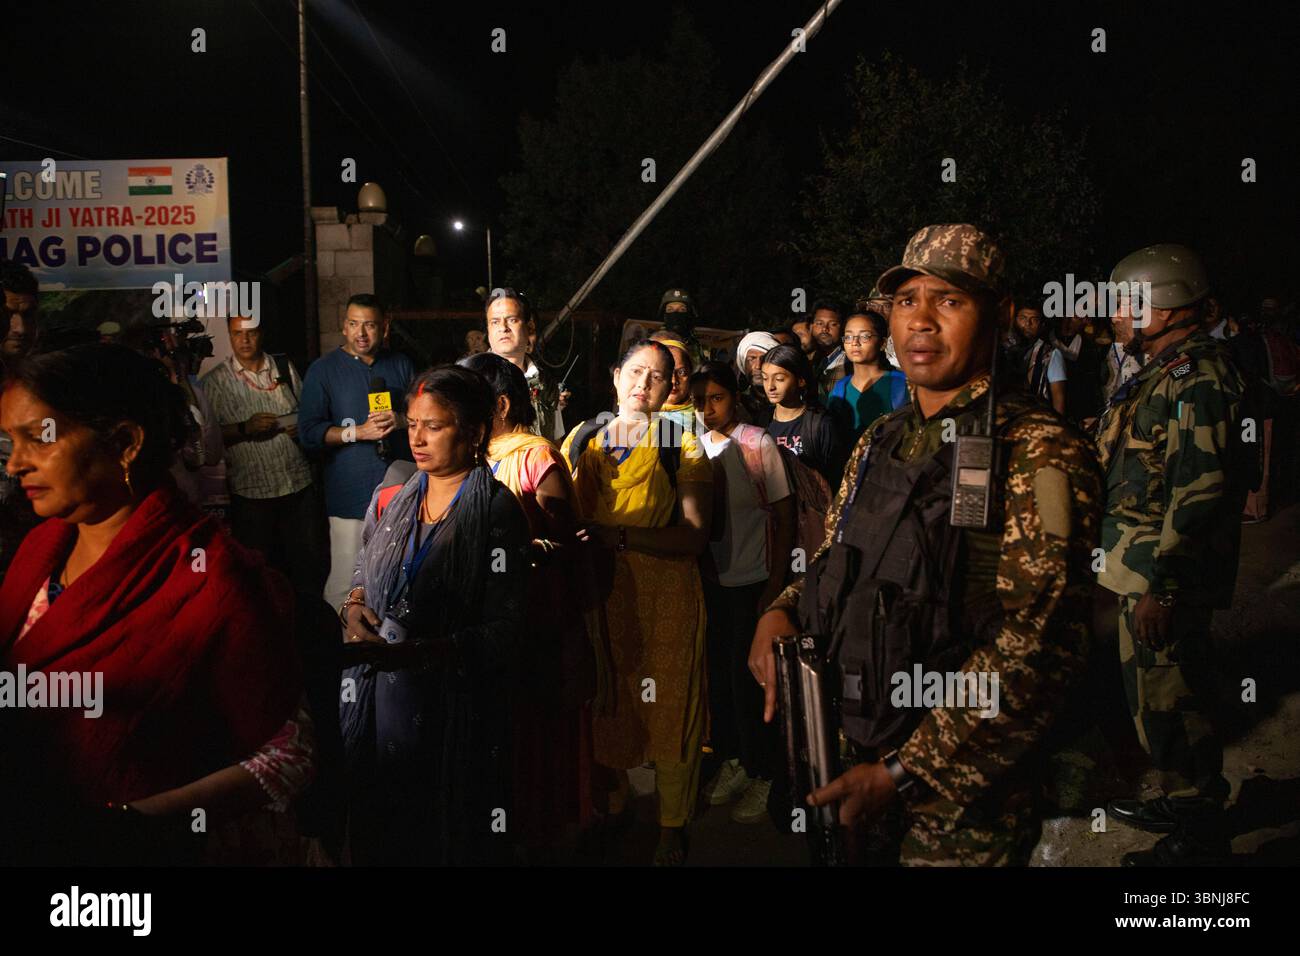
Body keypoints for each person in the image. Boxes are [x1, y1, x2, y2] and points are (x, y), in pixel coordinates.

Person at [750, 223, 1103, 866]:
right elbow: (836, 560)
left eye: (950, 301)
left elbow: (1038, 651)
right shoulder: (881, 437)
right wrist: (784, 609)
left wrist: (902, 773)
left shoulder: (1037, 450)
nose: (922, 321)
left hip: (956, 799)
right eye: (907, 300)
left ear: (994, 317)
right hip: (856, 747)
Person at [0, 344, 310, 865]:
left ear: (124, 442)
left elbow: (287, 756)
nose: (14, 464)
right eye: (11, 441)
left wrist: (129, 824)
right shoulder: (38, 548)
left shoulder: (214, 577)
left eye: (39, 438)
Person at [1095, 244, 1251, 865]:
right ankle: (1183, 795)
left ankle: (1200, 833)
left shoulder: (1199, 379)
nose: (1114, 316)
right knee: (1158, 697)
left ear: (1160, 307)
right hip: (1141, 567)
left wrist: (1167, 588)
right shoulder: (1165, 370)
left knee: (1173, 700)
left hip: (1164, 575)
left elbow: (1201, 491)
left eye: (1124, 304)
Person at [339, 365, 531, 865]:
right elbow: (363, 572)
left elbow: (508, 630)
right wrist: (354, 606)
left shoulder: (495, 511)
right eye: (411, 424)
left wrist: (426, 652)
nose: (418, 439)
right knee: (386, 818)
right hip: (381, 696)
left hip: (451, 701)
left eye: (435, 426)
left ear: (473, 432)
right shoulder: (397, 494)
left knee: (442, 827)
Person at [561, 339, 712, 866]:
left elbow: (693, 536)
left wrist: (619, 537)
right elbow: (566, 519)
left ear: (672, 387)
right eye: (635, 371)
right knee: (610, 699)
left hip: (668, 594)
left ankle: (672, 825)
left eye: (657, 376)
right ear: (615, 376)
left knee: (672, 708)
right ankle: (617, 801)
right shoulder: (583, 439)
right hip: (605, 594)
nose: (643, 383)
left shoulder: (683, 444)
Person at [458, 351, 598, 857]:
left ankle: (558, 831)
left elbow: (570, 538)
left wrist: (529, 551)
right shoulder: (472, 457)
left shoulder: (534, 456)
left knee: (544, 728)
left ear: (498, 404)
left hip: (540, 616)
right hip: (492, 619)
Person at [690, 362, 794, 824]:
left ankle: (764, 773)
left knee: (750, 681)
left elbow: (784, 512)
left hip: (753, 579)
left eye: (717, 398)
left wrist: (775, 584)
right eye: (700, 401)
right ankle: (735, 759)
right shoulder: (693, 446)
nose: (708, 409)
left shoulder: (757, 443)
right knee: (722, 679)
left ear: (734, 397)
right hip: (713, 580)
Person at [299, 293, 416, 612]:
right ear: (343, 327)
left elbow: (423, 416)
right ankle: (342, 653)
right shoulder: (323, 371)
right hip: (349, 495)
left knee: (398, 574)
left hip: (399, 492)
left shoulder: (401, 364)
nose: (361, 333)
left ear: (385, 327)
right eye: (353, 324)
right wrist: (357, 432)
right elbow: (308, 432)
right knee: (344, 580)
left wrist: (403, 420)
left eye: (369, 325)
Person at [200, 314, 327, 595]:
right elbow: (209, 438)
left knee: (307, 568)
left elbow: (306, 412)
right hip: (251, 493)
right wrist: (245, 427)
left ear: (261, 333)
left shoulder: (282, 367)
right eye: (237, 334)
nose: (244, 340)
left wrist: (299, 426)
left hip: (298, 485)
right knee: (261, 572)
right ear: (229, 336)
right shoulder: (215, 381)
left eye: (251, 332)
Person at [485, 287, 567, 441]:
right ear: (488, 329)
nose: (503, 328)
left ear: (529, 327)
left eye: (512, 320)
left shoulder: (545, 383)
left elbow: (555, 440)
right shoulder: (473, 378)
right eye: (495, 322)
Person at [762, 344, 847, 491]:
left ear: (801, 380)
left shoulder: (820, 424)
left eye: (779, 379)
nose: (770, 386)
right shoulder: (761, 421)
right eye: (764, 378)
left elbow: (836, 478)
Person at [827, 308, 909, 441]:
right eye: (848, 337)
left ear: (882, 343)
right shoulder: (839, 389)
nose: (854, 343)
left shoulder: (902, 385)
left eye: (865, 336)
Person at [1017, 305, 1068, 415]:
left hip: (1036, 418)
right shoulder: (1005, 349)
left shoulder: (1051, 354)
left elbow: (1058, 397)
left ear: (1042, 325)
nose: (1027, 324)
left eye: (1034, 320)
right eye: (1022, 318)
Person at [649, 329, 698, 434]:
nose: (673, 380)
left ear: (690, 373)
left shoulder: (706, 418)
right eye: (664, 372)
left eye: (681, 372)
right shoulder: (632, 412)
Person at [734, 330, 779, 424]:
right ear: (743, 363)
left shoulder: (789, 401)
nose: (758, 366)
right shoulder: (736, 403)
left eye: (764, 359)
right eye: (752, 359)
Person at [809, 298, 847, 402]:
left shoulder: (849, 362)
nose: (825, 328)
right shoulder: (808, 361)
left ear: (842, 328)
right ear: (811, 327)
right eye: (819, 323)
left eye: (833, 324)